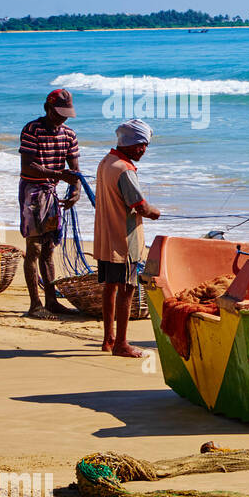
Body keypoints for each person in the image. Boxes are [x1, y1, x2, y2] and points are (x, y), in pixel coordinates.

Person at [94, 120, 161, 357]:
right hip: (124, 240)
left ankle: (108, 339)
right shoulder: (125, 170)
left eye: (145, 145)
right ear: (130, 143)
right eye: (141, 145)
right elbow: (140, 206)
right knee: (127, 289)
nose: (143, 150)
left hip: (104, 238)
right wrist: (156, 212)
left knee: (110, 287)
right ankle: (122, 344)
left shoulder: (106, 162)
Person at [18, 88, 84, 319]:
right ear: (47, 108)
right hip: (33, 192)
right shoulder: (32, 129)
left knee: (49, 249)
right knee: (34, 247)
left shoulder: (69, 135)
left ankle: (51, 301)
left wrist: (75, 190)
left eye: (65, 114)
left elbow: (74, 170)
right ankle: (35, 305)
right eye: (58, 113)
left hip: (52, 194)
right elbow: (27, 166)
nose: (62, 118)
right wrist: (58, 174)